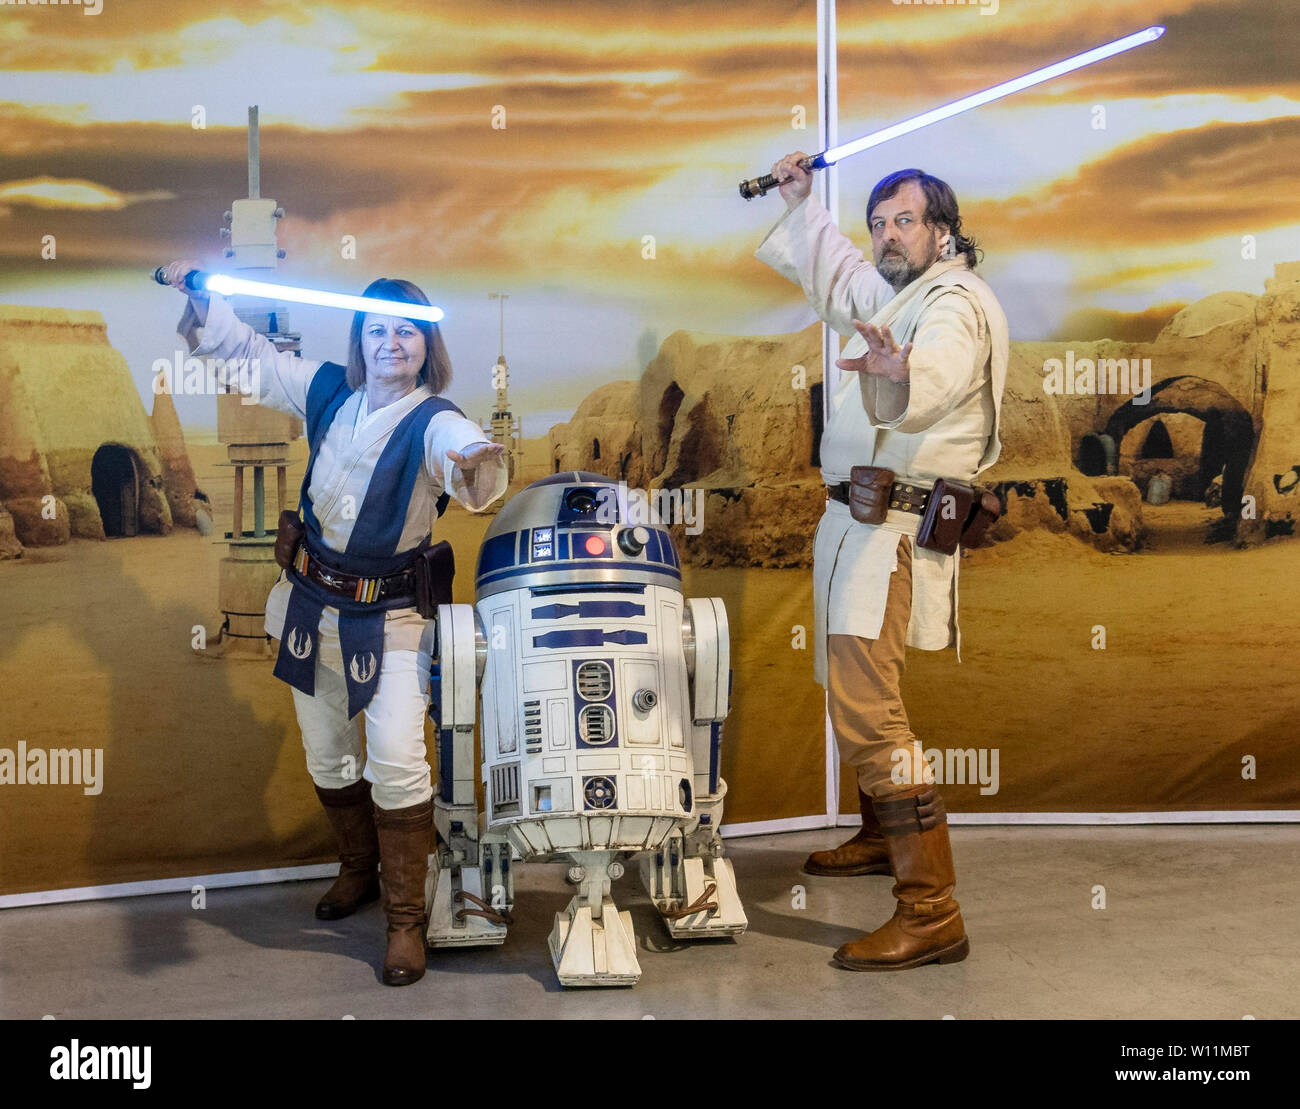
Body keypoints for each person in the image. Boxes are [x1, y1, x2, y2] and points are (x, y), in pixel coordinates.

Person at [163, 261, 508, 985]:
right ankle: (359, 868)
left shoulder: (433, 417)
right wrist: (203, 297)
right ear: (361, 339)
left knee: (396, 759)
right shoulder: (327, 389)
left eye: (408, 331)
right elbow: (251, 358)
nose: (392, 342)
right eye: (378, 329)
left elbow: (461, 453)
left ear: (427, 345)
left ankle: (406, 922)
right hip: (310, 605)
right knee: (328, 756)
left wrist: (475, 461)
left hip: (388, 620)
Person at [755, 156, 1008, 971]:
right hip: (856, 525)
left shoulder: (956, 306)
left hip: (891, 532)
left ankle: (931, 910)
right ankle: (875, 834)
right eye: (879, 222)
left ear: (945, 231)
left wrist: (898, 376)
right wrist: (804, 203)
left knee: (870, 707)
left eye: (906, 221)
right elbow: (844, 282)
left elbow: (930, 377)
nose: (888, 235)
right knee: (852, 685)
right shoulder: (904, 295)